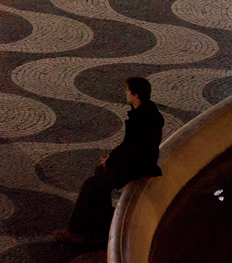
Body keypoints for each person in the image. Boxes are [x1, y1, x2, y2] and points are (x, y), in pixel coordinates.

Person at [54, 77, 164, 245]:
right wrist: (111, 158)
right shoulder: (146, 112)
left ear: (136, 95)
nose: (125, 93)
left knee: (90, 185)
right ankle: (102, 226)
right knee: (100, 174)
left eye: (128, 91)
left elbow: (132, 149)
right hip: (138, 162)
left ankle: (75, 231)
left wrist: (111, 161)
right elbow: (129, 145)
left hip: (137, 166)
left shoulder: (141, 119)